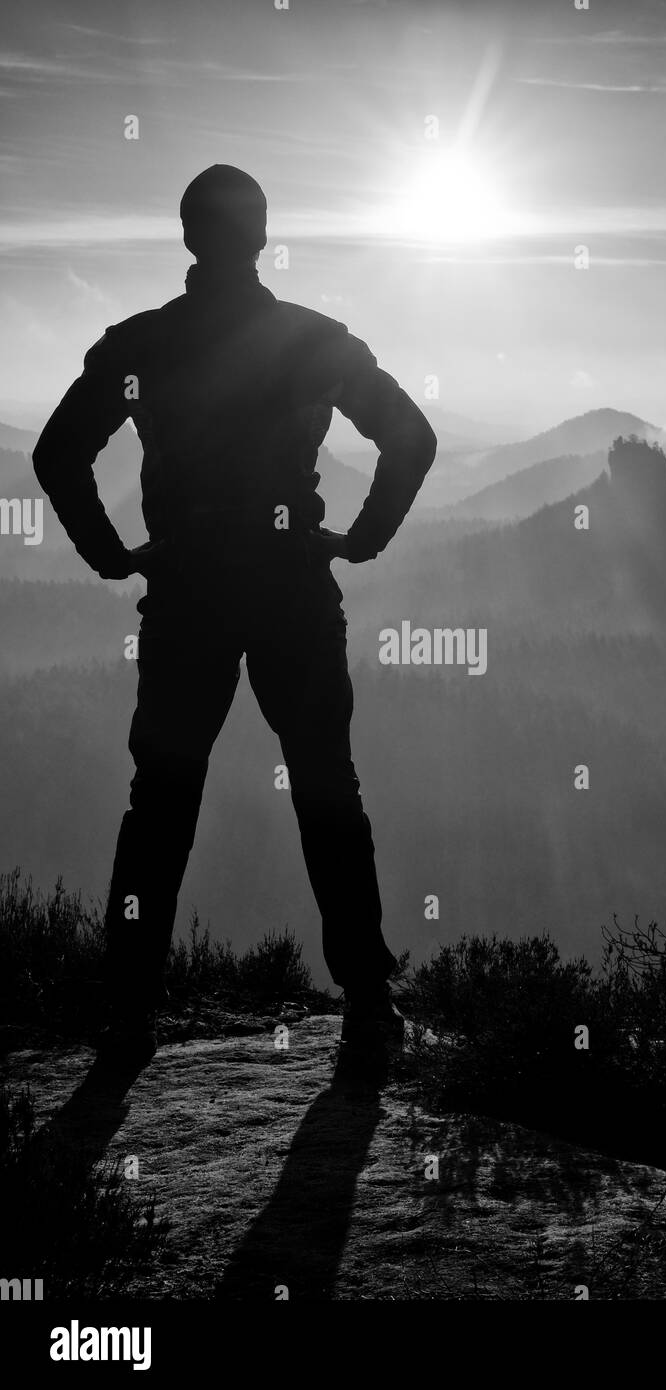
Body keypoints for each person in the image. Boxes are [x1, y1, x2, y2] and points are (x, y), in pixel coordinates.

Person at [32, 164, 437, 1062]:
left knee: (162, 800)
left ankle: (128, 1011)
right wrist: (360, 540)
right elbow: (412, 436)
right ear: (261, 236)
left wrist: (114, 555)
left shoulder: (142, 345)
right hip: (293, 586)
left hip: (188, 594)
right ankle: (369, 1005)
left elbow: (58, 452)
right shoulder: (315, 341)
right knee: (328, 785)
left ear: (188, 239)